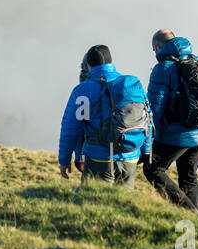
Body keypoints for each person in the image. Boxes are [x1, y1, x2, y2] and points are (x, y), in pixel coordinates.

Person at [142, 30, 198, 213]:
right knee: (189, 176)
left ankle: (189, 212)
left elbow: (155, 108)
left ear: (159, 47)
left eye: (154, 49)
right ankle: (194, 221)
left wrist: (149, 139)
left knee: (153, 169)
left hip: (176, 134)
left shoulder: (163, 68)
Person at [58, 45, 151, 186]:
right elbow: (147, 118)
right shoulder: (132, 85)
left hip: (99, 157)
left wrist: (65, 160)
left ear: (88, 64)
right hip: (130, 154)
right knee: (123, 203)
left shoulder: (83, 90)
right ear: (110, 62)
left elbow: (71, 128)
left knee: (94, 201)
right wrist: (146, 149)